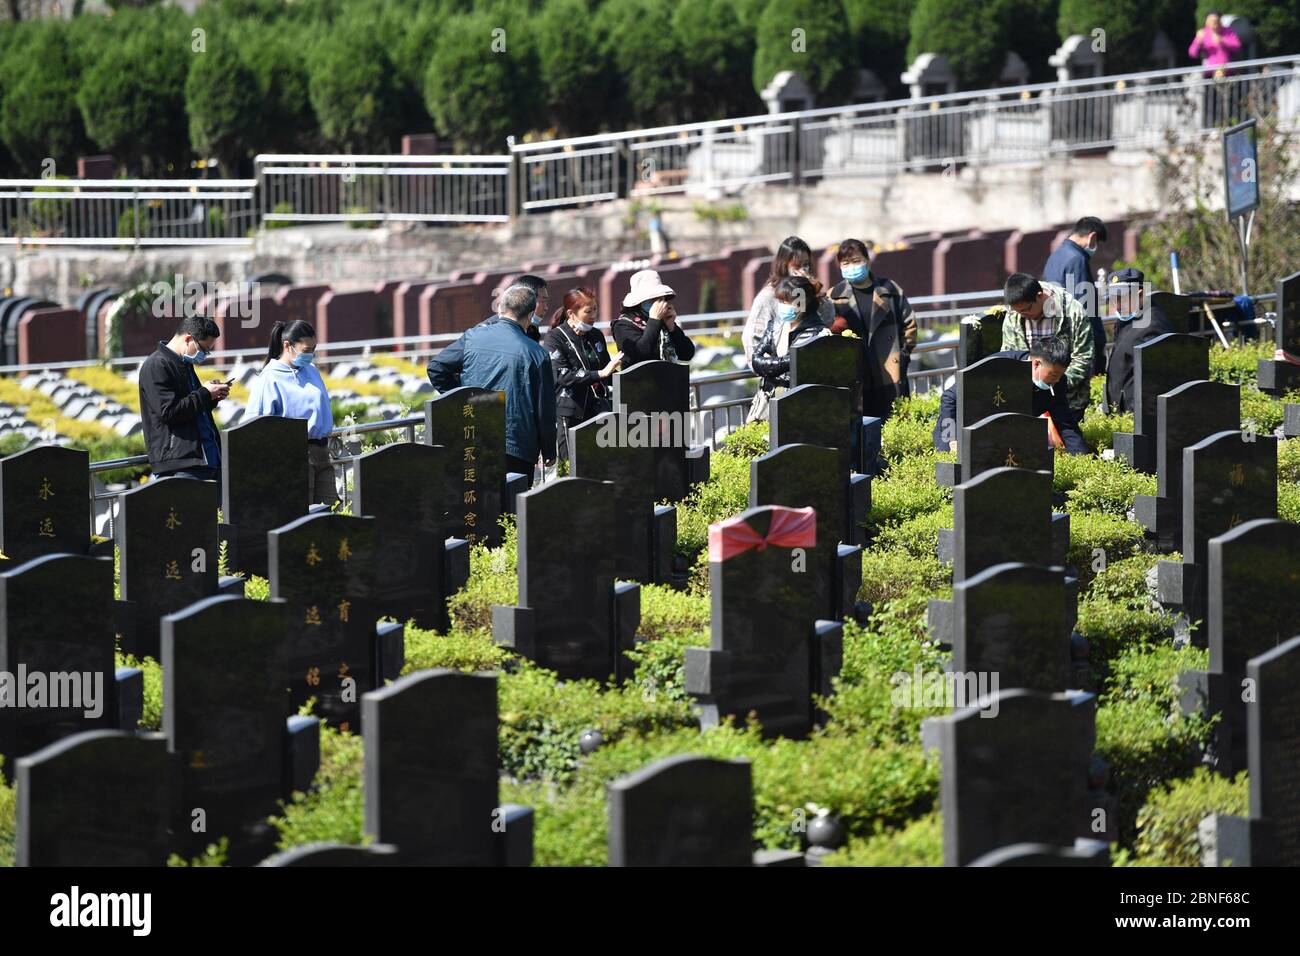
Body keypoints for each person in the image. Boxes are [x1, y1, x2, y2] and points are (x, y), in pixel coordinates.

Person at [427, 283, 556, 485]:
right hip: (517, 444)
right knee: (512, 510)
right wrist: (549, 450)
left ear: (500, 308)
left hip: (474, 435)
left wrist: (463, 399)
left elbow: (436, 368)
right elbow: (544, 408)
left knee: (478, 506)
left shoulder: (472, 337)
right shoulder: (537, 354)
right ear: (531, 315)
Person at [932, 335, 1090, 455]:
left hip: (1003, 436)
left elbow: (1065, 423)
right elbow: (950, 398)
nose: (1056, 381)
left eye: (1060, 376)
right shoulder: (997, 367)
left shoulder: (1057, 382)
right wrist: (951, 439)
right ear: (1036, 364)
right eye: (1053, 375)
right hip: (964, 428)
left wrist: (1082, 458)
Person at [247, 318, 337, 504]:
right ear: (288, 346)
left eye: (313, 350)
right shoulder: (269, 378)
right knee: (303, 515)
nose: (310, 355)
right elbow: (255, 425)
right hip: (294, 455)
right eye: (306, 351)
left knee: (330, 512)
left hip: (322, 451)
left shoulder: (311, 370)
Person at [828, 237, 917, 420]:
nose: (851, 266)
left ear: (867, 260)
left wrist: (902, 356)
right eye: (845, 262)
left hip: (889, 371)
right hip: (855, 373)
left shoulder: (889, 289)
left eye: (856, 261)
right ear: (839, 266)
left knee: (893, 422)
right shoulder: (834, 296)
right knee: (860, 429)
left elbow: (910, 324)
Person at [138, 315, 228, 485]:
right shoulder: (156, 365)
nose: (205, 355)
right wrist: (204, 393)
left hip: (206, 460)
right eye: (204, 349)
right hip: (181, 466)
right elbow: (169, 412)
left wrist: (212, 398)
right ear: (188, 339)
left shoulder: (185, 364)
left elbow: (190, 409)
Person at [1000, 272, 1095, 419]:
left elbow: (1083, 358)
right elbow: (1009, 356)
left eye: (1027, 309)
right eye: (1019, 312)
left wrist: (1056, 383)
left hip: (1067, 401)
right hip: (1027, 403)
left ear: (1039, 295)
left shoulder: (1072, 312)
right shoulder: (1014, 316)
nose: (1023, 314)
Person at [544, 286, 622, 461]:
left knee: (602, 463)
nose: (594, 315)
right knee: (570, 466)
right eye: (588, 311)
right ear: (571, 313)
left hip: (598, 409)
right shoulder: (554, 338)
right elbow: (562, 375)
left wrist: (629, 379)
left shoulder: (595, 335)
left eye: (595, 309)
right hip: (570, 413)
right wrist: (599, 374)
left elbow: (607, 370)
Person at [747, 275, 831, 422]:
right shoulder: (775, 327)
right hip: (768, 405)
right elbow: (756, 361)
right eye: (781, 301)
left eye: (788, 302)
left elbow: (809, 370)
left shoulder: (818, 332)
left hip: (802, 409)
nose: (783, 306)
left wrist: (773, 361)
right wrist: (791, 360)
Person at [742, 235, 835, 361]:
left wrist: (815, 292)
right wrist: (770, 368)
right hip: (778, 370)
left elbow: (828, 319)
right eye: (797, 266)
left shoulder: (808, 291)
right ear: (784, 265)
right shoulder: (769, 295)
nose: (803, 270)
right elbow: (751, 338)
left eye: (806, 264)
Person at [1102, 267, 1172, 415]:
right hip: (1121, 413)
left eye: (1121, 298)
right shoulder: (1127, 318)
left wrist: (1136, 417)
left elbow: (1154, 383)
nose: (1117, 305)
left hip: (1136, 416)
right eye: (1114, 299)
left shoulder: (1152, 325)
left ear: (1139, 294)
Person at [1043, 216, 1108, 375]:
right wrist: (1097, 342)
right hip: (1080, 346)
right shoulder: (1076, 260)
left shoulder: (1056, 255)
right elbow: (1084, 308)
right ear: (1092, 237)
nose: (1096, 247)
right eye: (1097, 243)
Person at [611, 269, 696, 368]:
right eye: (653, 299)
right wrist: (654, 320)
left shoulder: (662, 321)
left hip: (666, 380)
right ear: (640, 302)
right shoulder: (623, 325)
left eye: (661, 298)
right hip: (638, 382)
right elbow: (641, 354)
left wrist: (672, 327)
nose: (659, 303)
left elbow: (687, 354)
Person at [513, 273, 549, 342]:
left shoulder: (531, 330)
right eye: (543, 301)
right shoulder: (505, 331)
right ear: (527, 300)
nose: (546, 308)